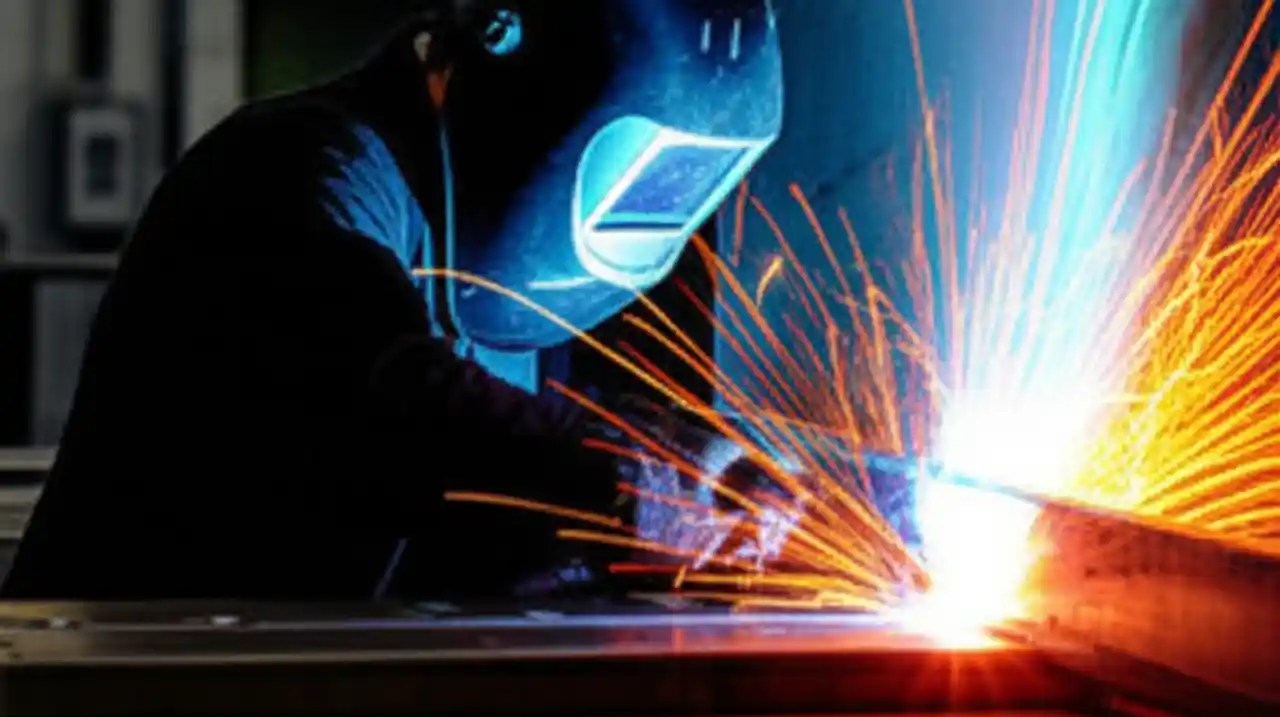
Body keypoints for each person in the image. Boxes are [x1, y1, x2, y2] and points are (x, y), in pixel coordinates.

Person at [2, 0, 783, 600]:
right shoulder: (299, 170)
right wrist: (653, 479)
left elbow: (541, 473)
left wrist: (762, 489)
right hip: (128, 686)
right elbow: (407, 409)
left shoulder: (496, 269)